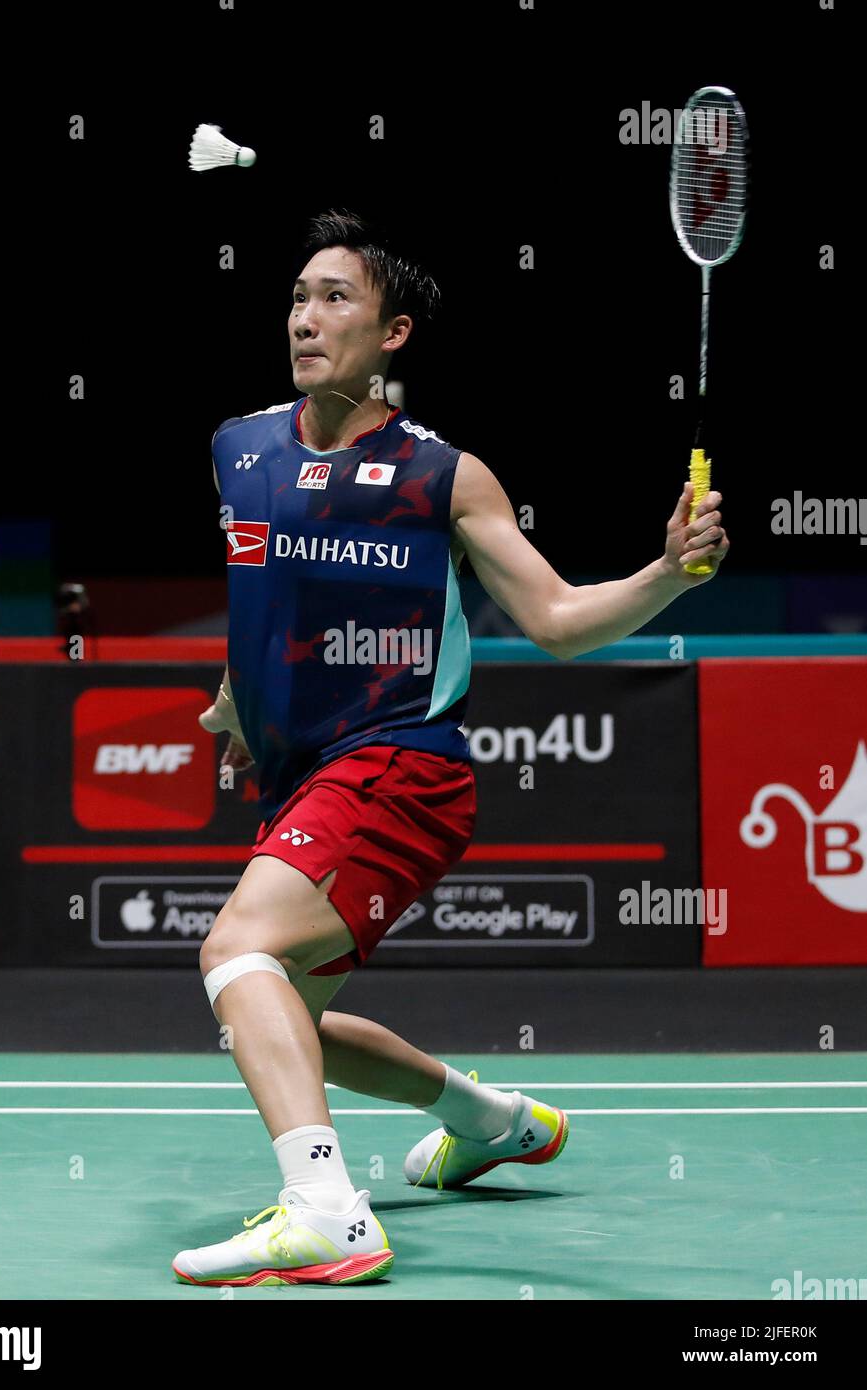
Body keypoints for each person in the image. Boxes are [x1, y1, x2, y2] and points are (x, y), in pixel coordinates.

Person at [171, 209, 730, 1287]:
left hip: (402, 766)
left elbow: (560, 621)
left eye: (336, 298)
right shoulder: (236, 449)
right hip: (306, 773)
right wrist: (240, 704)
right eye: (296, 295)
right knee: (282, 1019)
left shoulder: (440, 476)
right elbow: (265, 603)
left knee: (233, 950)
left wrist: (666, 573)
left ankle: (326, 1210)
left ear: (394, 334)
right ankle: (492, 1120)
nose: (305, 316)